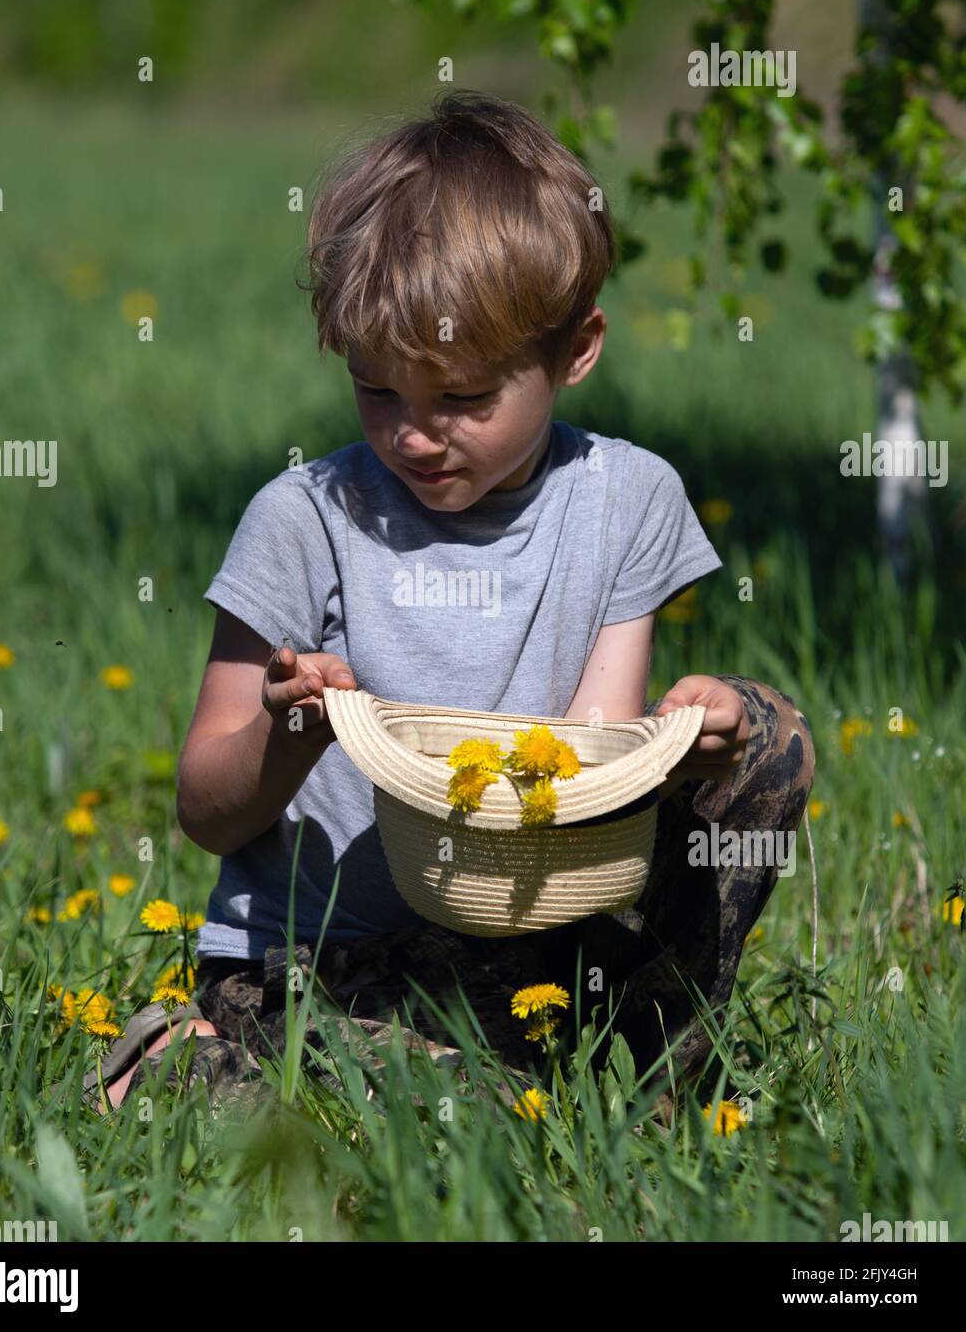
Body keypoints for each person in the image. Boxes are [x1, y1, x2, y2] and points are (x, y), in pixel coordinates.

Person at [100, 90, 816, 1116]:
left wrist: (677, 749)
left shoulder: (625, 498)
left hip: (527, 924)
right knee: (461, 1121)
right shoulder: (304, 518)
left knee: (766, 729)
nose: (413, 435)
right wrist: (289, 735)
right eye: (376, 389)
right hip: (322, 956)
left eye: (463, 398)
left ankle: (652, 1080)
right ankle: (189, 1060)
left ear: (574, 350)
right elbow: (205, 811)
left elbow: (585, 755)